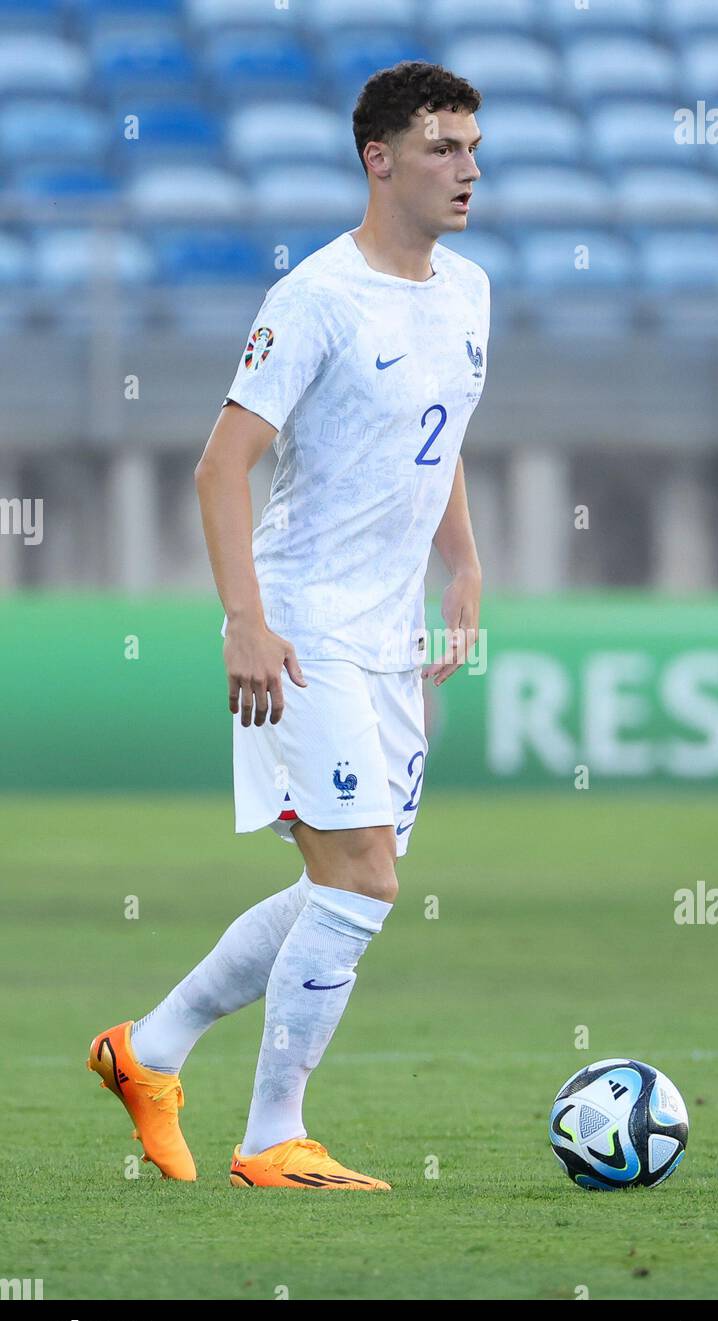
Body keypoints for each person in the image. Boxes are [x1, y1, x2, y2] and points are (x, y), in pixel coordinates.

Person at [87, 62, 489, 1191]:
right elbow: (222, 467)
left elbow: (439, 430)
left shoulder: (467, 291)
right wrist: (244, 623)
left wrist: (461, 561)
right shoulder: (315, 297)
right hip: (302, 624)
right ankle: (272, 1134)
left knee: (345, 884)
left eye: (471, 145)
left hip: (387, 637)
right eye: (441, 147)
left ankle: (148, 1049)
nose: (467, 168)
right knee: (362, 881)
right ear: (379, 159)